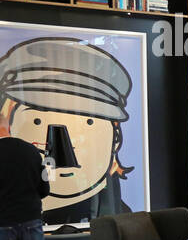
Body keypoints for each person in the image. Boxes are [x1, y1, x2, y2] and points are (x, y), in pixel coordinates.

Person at [0, 37, 135, 223]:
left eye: (89, 122)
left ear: (116, 136)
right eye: (36, 121)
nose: (64, 150)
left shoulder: (123, 222)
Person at [0, 117, 54, 240]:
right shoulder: (31, 151)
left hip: (3, 226)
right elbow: (45, 188)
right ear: (9, 128)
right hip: (32, 222)